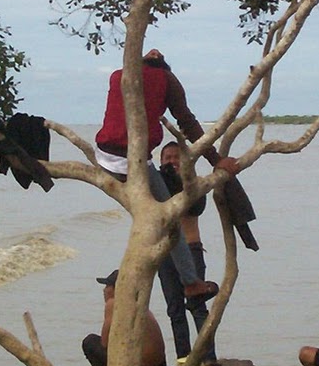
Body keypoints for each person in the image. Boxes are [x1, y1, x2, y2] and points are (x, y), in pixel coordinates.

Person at [93, 49, 235, 298]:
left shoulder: (119, 75)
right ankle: (191, 282)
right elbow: (187, 122)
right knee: (172, 219)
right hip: (132, 163)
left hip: (103, 157)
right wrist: (217, 160)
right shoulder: (166, 79)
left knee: (147, 221)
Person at [156, 141, 217, 364]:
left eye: (176, 157)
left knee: (197, 305)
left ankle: (208, 358)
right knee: (175, 309)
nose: (172, 161)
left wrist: (179, 180)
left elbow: (195, 207)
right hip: (165, 254)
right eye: (167, 158)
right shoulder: (156, 186)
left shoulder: (194, 184)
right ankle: (183, 359)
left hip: (190, 249)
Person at [82, 270, 168, 366]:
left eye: (107, 286)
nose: (104, 290)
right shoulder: (138, 302)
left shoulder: (114, 303)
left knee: (90, 342)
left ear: (117, 289)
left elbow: (105, 343)